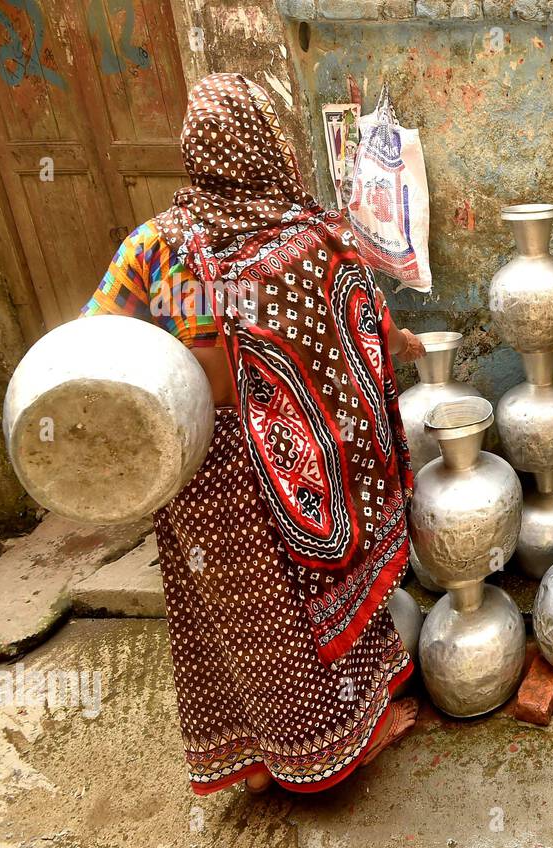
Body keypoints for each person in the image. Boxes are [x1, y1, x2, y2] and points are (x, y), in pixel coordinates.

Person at [81, 73, 426, 795]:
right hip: (293, 466)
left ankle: (266, 756)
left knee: (240, 623)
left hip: (196, 472)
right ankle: (336, 751)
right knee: (306, 614)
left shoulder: (155, 247)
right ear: (264, 143)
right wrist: (404, 346)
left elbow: (95, 350)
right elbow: (361, 324)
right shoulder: (309, 234)